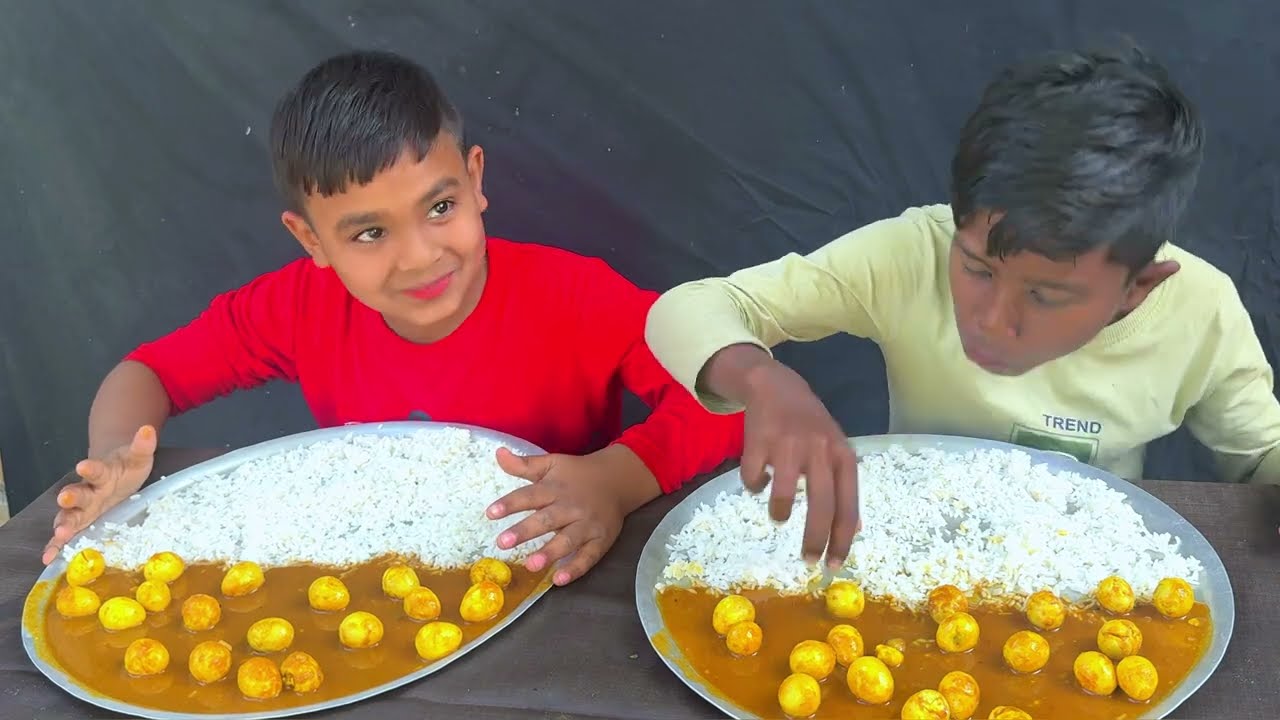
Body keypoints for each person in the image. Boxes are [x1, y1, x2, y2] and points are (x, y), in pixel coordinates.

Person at [43, 50, 744, 585]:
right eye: (369, 234)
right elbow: (150, 372)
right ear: (311, 240)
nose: (418, 258)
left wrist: (616, 482)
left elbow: (734, 399)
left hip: (556, 581)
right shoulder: (297, 308)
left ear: (475, 181)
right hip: (373, 585)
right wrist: (114, 455)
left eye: (440, 208)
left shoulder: (577, 297)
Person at [645, 43, 1280, 568]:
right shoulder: (914, 253)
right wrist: (763, 379)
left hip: (1086, 568)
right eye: (976, 268)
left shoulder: (1202, 310)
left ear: (1136, 287)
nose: (990, 319)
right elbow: (689, 308)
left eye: (1044, 295)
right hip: (895, 555)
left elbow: (1262, 455)